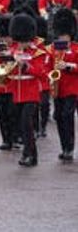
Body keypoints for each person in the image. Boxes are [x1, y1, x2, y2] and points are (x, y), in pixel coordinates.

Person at [8, 13, 48, 167]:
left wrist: (25, 66)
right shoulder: (12, 51)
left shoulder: (37, 52)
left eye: (22, 41)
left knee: (27, 123)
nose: (20, 44)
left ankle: (32, 155)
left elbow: (41, 72)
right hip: (16, 92)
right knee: (19, 125)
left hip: (31, 93)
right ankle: (27, 152)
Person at [50, 9, 77, 161]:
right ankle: (64, 146)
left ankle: (70, 147)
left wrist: (68, 66)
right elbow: (47, 67)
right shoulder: (53, 49)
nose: (62, 38)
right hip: (57, 88)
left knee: (68, 115)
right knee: (59, 117)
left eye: (65, 35)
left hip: (72, 88)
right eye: (61, 35)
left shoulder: (76, 48)